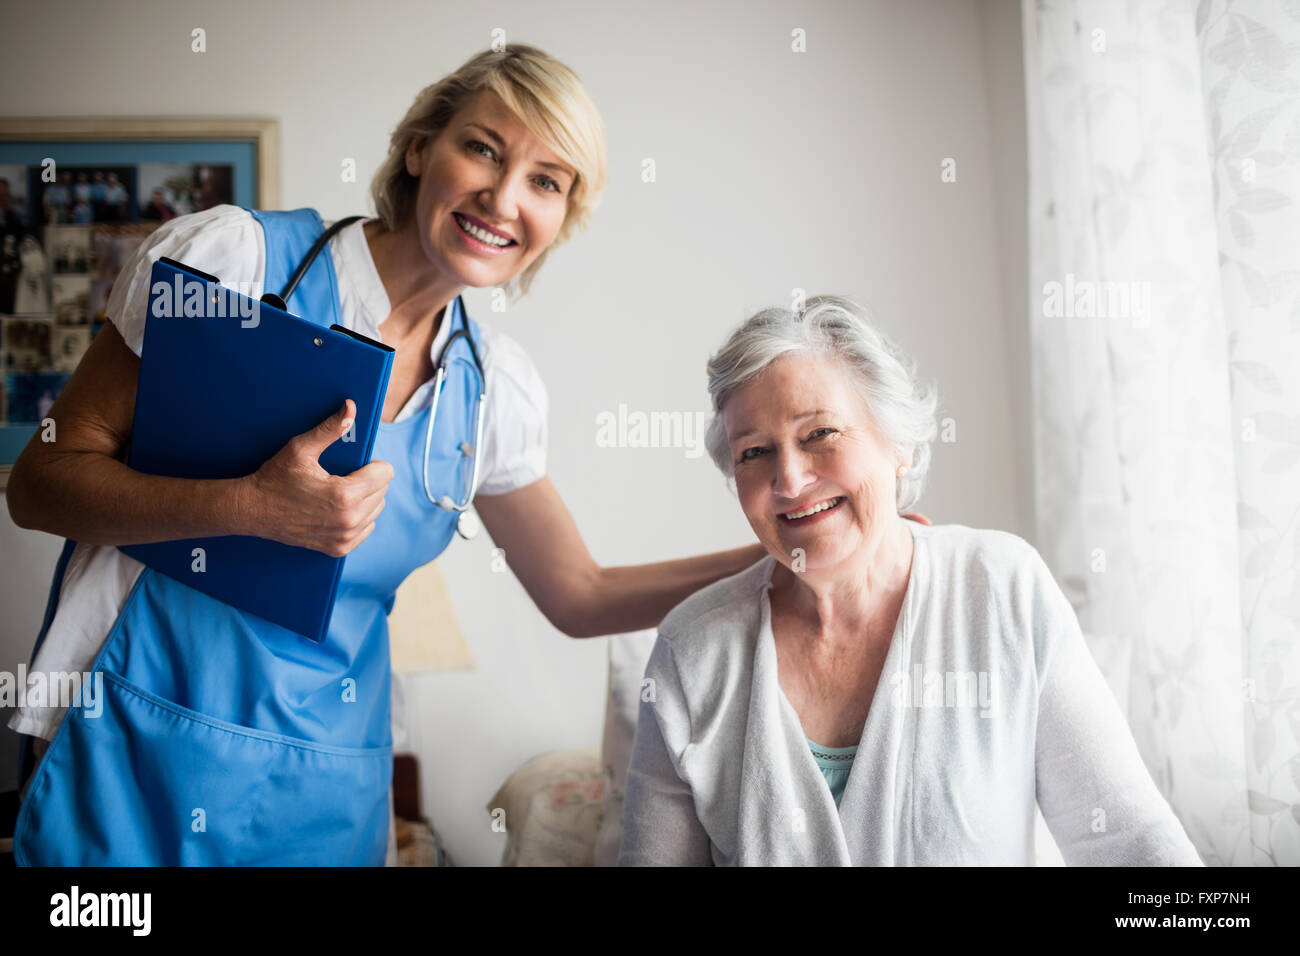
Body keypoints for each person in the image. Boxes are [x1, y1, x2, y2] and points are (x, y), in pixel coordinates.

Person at [6, 44, 778, 866]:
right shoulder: (237, 267)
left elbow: (578, 595)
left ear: (562, 217)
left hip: (327, 795)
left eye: (547, 181)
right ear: (420, 148)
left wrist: (775, 557)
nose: (504, 198)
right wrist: (248, 505)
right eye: (483, 148)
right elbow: (41, 482)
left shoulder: (492, 393)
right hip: (136, 751)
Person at [617, 295, 1205, 866]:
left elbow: (1128, 842)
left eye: (820, 434)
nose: (790, 479)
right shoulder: (689, 653)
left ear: (897, 443)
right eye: (754, 452)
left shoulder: (1001, 589)